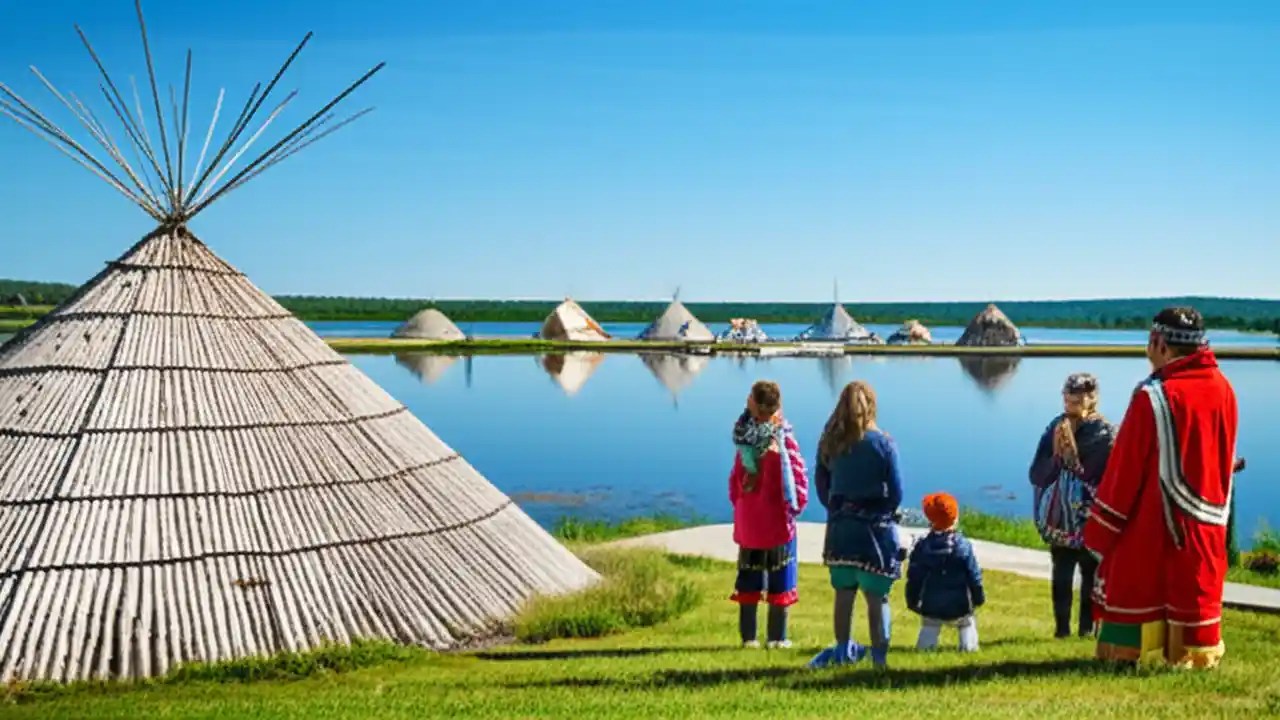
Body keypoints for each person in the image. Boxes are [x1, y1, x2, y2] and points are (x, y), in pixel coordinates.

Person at [1084, 307, 1239, 668]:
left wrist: (1102, 527)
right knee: (1196, 583)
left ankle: (1130, 655)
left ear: (1159, 344)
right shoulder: (1224, 389)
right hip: (1209, 514)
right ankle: (1190, 654)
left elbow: (1125, 469)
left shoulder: (1153, 395)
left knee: (1135, 578)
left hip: (1154, 517)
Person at [808, 381, 903, 669]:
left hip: (841, 529)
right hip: (876, 532)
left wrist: (837, 508)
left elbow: (822, 487)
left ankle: (841, 651)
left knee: (844, 595)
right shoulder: (884, 443)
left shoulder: (830, 443)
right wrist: (882, 512)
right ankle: (879, 659)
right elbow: (896, 492)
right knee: (877, 599)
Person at [1028, 372, 1116, 638]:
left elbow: (1111, 474)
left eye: (1080, 395)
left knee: (1086, 572)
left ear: (1093, 397)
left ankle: (1082, 629)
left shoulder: (1104, 433)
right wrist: (1057, 460)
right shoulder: (1057, 428)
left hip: (1084, 514)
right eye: (1071, 394)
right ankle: (1066, 630)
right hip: (1064, 515)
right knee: (1065, 572)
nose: (1075, 400)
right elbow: (1036, 472)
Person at [728, 380, 810, 649]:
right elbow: (797, 482)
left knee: (749, 579)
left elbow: (735, 482)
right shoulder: (783, 442)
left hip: (750, 522)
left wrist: (740, 505)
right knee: (780, 580)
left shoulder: (744, 440)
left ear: (755, 404)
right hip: (777, 523)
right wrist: (795, 508)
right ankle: (777, 637)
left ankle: (748, 637)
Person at [906, 492, 985, 652]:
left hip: (931, 605)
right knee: (967, 623)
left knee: (929, 624)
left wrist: (912, 601)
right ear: (955, 518)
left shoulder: (922, 547)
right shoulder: (963, 546)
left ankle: (925, 648)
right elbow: (974, 576)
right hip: (960, 605)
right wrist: (978, 598)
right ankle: (969, 647)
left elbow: (914, 578)